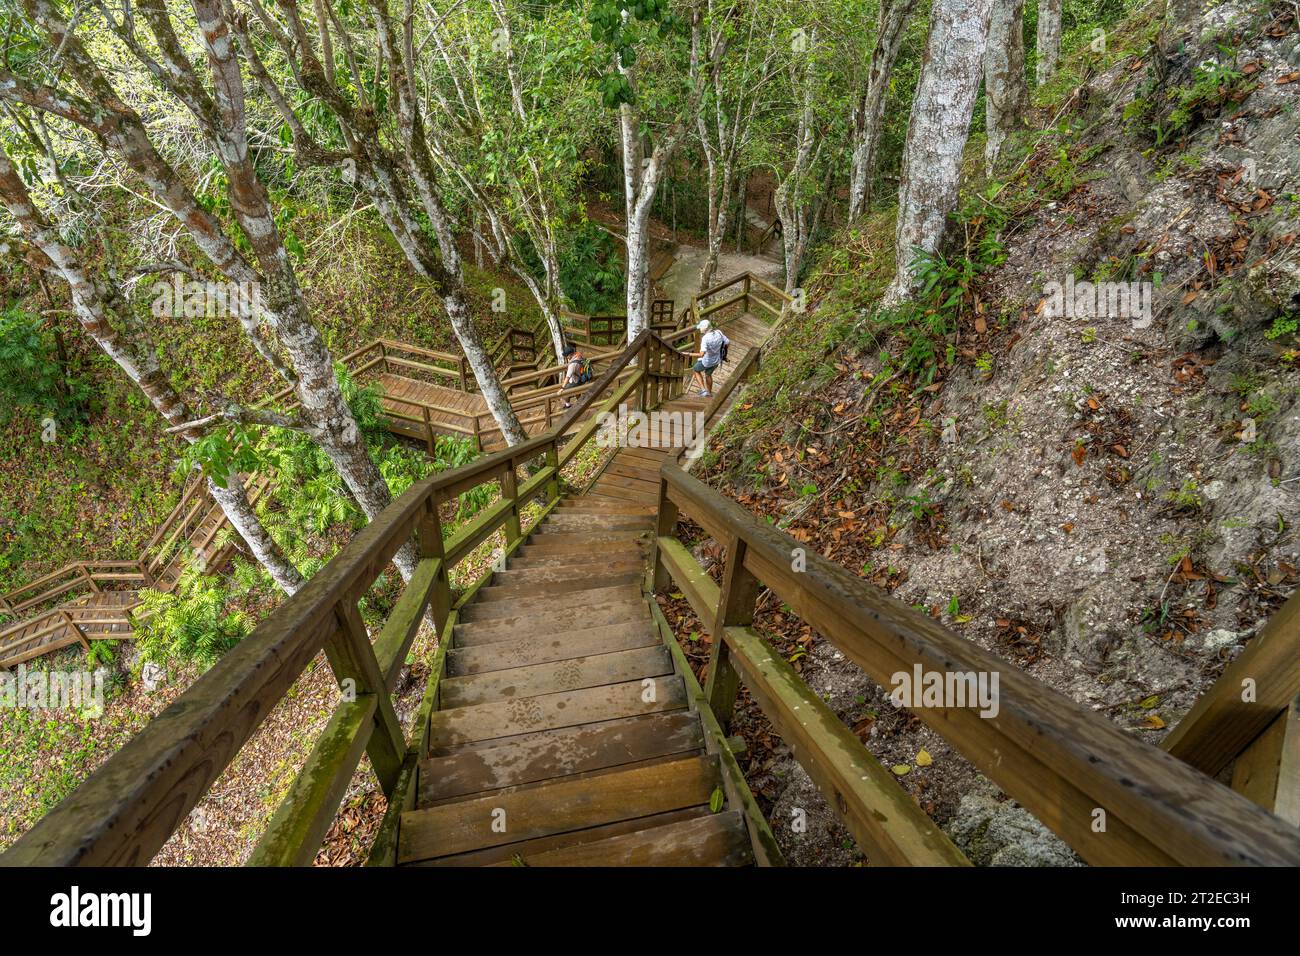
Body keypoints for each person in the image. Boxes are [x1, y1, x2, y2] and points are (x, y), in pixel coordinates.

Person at [689, 319, 729, 398]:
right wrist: (722, 353)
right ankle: (709, 393)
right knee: (708, 374)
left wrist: (689, 354)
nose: (700, 329)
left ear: (704, 328)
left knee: (695, 370)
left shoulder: (705, 338)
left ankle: (703, 390)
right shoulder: (718, 332)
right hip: (717, 360)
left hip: (707, 361)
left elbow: (701, 354)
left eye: (701, 327)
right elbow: (727, 342)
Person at [559, 343, 592, 408]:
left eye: (566, 356)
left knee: (565, 392)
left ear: (570, 354)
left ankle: (568, 405)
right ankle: (580, 402)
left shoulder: (572, 365)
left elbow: (567, 377)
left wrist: (562, 388)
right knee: (577, 391)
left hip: (576, 380)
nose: (566, 357)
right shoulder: (578, 355)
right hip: (582, 377)